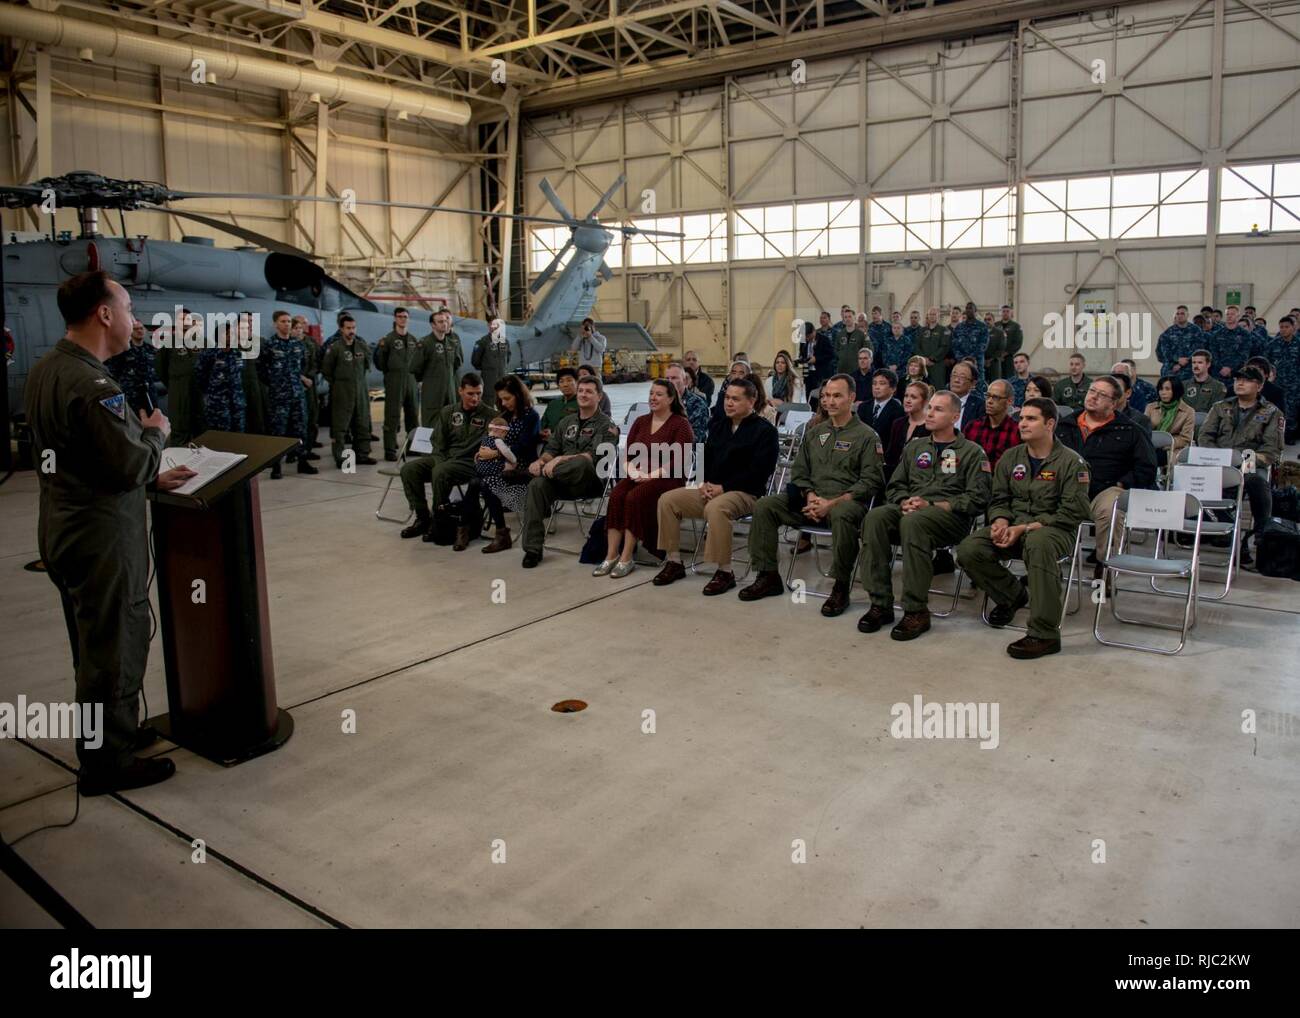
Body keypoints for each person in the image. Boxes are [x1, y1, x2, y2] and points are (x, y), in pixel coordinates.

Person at [28, 270, 197, 794]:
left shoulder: (49, 369)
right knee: (113, 650)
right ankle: (108, 763)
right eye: (126, 307)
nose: (133, 318)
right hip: (101, 540)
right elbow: (124, 462)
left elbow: (90, 461)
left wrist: (151, 473)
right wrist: (154, 437)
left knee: (93, 646)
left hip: (65, 528)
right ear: (104, 314)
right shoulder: (94, 384)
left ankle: (113, 733)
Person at [737, 374, 885, 617]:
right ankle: (768, 575)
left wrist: (832, 503)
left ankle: (840, 587)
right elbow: (800, 471)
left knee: (842, 513)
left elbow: (871, 481)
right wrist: (811, 496)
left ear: (852, 398)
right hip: (811, 501)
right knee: (765, 505)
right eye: (826, 396)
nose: (830, 401)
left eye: (837, 395)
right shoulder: (816, 433)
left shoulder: (867, 436)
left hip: (846, 504)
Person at [956, 398, 1092, 660]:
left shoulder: (1071, 463)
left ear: (1050, 424)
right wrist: (1000, 521)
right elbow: (999, 499)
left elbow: (1073, 513)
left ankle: (1045, 634)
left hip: (1055, 531)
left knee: (1038, 543)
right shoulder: (1011, 457)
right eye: (1021, 418)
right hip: (1015, 526)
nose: (1023, 424)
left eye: (1031, 419)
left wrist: (1026, 527)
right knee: (969, 548)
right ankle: (1012, 595)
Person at [857, 391, 992, 640]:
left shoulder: (972, 452)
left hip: (950, 519)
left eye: (938, 409)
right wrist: (903, 500)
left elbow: (977, 499)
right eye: (929, 407)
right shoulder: (915, 447)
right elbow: (895, 485)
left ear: (955, 415)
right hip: (911, 510)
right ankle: (880, 604)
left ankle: (915, 609)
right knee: (875, 518)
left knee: (914, 522)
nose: (930, 413)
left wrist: (932, 504)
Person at [654, 378, 780, 594]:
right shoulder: (719, 425)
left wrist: (724, 487)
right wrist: (702, 482)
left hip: (745, 493)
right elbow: (704, 456)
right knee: (668, 500)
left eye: (735, 399)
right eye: (727, 398)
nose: (729, 403)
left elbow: (759, 473)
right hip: (711, 489)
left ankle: (725, 571)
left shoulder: (765, 432)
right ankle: (674, 562)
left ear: (751, 401)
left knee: (716, 508)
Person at [1057, 375, 1157, 576]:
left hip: (1104, 491)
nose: (1093, 397)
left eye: (1101, 395)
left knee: (1112, 511)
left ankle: (1105, 567)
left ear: (1113, 403)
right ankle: (1045, 564)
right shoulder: (1064, 426)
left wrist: (1121, 483)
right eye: (1092, 391)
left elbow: (1146, 468)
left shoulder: (1130, 431)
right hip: (1063, 488)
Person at [594, 379, 694, 577]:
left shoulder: (680, 424)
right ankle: (611, 554)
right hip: (639, 474)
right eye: (651, 393)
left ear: (671, 399)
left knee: (634, 497)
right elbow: (627, 454)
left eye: (658, 394)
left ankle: (627, 556)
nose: (653, 398)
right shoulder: (641, 422)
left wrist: (650, 475)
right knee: (616, 495)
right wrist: (631, 471)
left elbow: (680, 461)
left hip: (668, 478)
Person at [520, 376, 620, 568]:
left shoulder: (607, 426)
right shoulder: (566, 422)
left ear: (599, 396)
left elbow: (594, 458)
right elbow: (551, 449)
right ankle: (533, 549)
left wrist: (559, 460)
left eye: (589, 391)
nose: (583, 394)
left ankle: (530, 474)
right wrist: (541, 461)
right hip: (561, 480)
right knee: (536, 485)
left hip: (590, 481)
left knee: (581, 462)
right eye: (581, 390)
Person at [1199, 365, 1284, 566]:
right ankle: (1233, 534)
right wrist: (1217, 457)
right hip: (1218, 464)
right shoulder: (1220, 407)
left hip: (1251, 466)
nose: (1240, 383)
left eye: (1246, 380)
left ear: (1259, 386)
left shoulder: (1272, 412)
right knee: (1196, 482)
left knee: (1258, 483)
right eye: (1237, 379)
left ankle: (1263, 533)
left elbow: (1271, 449)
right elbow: (1205, 436)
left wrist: (1244, 462)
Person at [398, 373, 497, 541]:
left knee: (441, 471)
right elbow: (438, 443)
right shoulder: (448, 412)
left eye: (478, 393)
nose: (475, 398)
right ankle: (422, 517)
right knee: (409, 469)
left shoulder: (491, 416)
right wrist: (441, 460)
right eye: (470, 393)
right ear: (460, 391)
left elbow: (496, 445)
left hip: (469, 462)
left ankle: (438, 521)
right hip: (445, 458)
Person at [459, 374, 539, 554]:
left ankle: (482, 530)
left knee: (485, 484)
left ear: (518, 395)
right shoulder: (504, 416)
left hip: (521, 468)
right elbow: (490, 438)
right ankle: (467, 527)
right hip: (499, 466)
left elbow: (523, 447)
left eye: (507, 398)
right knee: (475, 482)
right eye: (501, 399)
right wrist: (481, 452)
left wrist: (494, 453)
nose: (503, 403)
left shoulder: (531, 417)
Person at [258, 310, 317, 477]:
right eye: (283, 321)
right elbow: (261, 369)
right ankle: (276, 467)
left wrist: (300, 382)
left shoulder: (297, 345)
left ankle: (302, 462)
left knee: (300, 429)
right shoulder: (270, 345)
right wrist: (275, 384)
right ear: (275, 324)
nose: (287, 324)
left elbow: (302, 366)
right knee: (278, 431)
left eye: (289, 322)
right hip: (279, 396)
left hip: (297, 394)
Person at [321, 314, 377, 467]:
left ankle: (362, 455)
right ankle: (341, 458)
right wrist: (339, 384)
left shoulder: (362, 346)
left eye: (353, 328)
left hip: (360, 391)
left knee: (363, 423)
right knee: (340, 427)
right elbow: (326, 370)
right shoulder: (335, 348)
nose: (351, 331)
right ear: (341, 329)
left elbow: (366, 365)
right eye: (348, 328)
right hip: (342, 392)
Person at [374, 307, 420, 461]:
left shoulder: (413, 340)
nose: (403, 319)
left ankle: (413, 447)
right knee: (392, 416)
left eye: (405, 316)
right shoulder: (387, 340)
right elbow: (381, 363)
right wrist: (392, 374)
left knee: (413, 415)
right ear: (395, 319)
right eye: (400, 316)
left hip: (411, 381)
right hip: (395, 381)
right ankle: (389, 450)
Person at [156, 311, 203, 446]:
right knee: (179, 427)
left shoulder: (201, 341)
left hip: (197, 390)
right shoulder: (168, 342)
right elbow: (160, 368)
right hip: (178, 390)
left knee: (200, 426)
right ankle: (178, 462)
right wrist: (175, 383)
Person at [412, 308, 463, 426]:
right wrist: (427, 380)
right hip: (432, 390)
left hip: (449, 389)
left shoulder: (451, 344)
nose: (444, 324)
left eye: (445, 321)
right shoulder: (425, 343)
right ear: (432, 325)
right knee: (432, 424)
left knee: (452, 422)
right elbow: (415, 367)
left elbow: (455, 365)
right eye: (440, 322)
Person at [195, 320, 247, 433]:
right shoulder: (209, 354)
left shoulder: (238, 354)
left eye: (232, 333)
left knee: (239, 435)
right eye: (227, 333)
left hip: (237, 403)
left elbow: (241, 375)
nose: (230, 336)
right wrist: (210, 394)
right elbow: (200, 376)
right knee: (220, 437)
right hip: (218, 404)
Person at [104, 319, 159, 416]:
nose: (139, 331)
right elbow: (113, 372)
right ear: (130, 331)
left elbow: (158, 370)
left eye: (141, 328)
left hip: (150, 395)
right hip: (130, 395)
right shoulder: (122, 351)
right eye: (136, 329)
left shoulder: (152, 350)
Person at [963, 378, 1021, 469]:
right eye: (988, 396)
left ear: (1009, 401)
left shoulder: (1017, 431)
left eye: (995, 397)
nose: (989, 401)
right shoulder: (972, 427)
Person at [884, 380, 932, 477]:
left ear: (925, 401)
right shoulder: (898, 423)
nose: (908, 400)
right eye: (906, 396)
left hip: (919, 478)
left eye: (913, 397)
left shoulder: (931, 426)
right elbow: (890, 456)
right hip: (893, 477)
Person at [1264, 315, 1299, 442]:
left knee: (1291, 410)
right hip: (1277, 383)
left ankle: (1289, 435)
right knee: (1276, 409)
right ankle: (1275, 435)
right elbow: (1266, 363)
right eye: (1281, 327)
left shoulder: (1298, 343)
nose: (1283, 329)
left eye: (1286, 327)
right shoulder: (1273, 344)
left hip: (1294, 384)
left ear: (1293, 328)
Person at [1146, 376, 1195, 463]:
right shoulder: (1151, 407)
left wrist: (1166, 443)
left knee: (1156, 458)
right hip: (1150, 446)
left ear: (1176, 391)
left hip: (1173, 448)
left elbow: (1185, 438)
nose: (1163, 393)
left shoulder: (1188, 411)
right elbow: (1144, 430)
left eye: (1167, 389)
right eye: (1161, 389)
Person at [292, 315, 322, 457]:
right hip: (295, 386)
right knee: (296, 419)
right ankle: (294, 451)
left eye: (305, 324)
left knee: (312, 415)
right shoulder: (289, 343)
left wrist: (309, 377)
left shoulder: (311, 342)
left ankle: (308, 447)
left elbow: (317, 361)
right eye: (300, 324)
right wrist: (302, 379)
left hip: (310, 385)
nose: (304, 326)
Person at [666, 360, 711, 443]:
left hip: (690, 452)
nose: (669, 382)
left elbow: (696, 439)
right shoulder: (662, 402)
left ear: (685, 381)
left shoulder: (697, 404)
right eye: (667, 378)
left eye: (674, 378)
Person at [472, 318, 512, 398]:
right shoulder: (482, 342)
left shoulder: (505, 342)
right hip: (488, 381)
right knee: (489, 403)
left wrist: (499, 367)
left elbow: (507, 358)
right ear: (488, 325)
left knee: (503, 402)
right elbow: (475, 361)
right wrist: (488, 368)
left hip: (502, 379)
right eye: (491, 324)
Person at [952, 302, 989, 387]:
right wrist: (962, 358)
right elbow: (954, 345)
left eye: (970, 308)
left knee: (978, 386)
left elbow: (983, 345)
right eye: (967, 308)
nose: (968, 310)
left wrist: (971, 359)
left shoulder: (982, 326)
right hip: (961, 362)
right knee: (961, 385)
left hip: (977, 363)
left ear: (975, 311)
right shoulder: (959, 327)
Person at [859, 369, 905, 438]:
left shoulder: (899, 411)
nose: (876, 387)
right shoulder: (863, 407)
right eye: (874, 383)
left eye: (882, 383)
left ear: (893, 388)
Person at [1157, 305, 1198, 381]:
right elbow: (1163, 352)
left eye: (1182, 313)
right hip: (1172, 369)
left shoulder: (1196, 330)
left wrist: (1184, 362)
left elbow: (1198, 348)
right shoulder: (1168, 333)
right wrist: (1176, 360)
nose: (1179, 316)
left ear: (1187, 315)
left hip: (1189, 370)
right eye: (1177, 314)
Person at [914, 306, 952, 388]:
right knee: (921, 387)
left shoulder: (944, 330)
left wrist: (932, 358)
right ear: (927, 316)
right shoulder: (921, 330)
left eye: (934, 314)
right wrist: (924, 359)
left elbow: (944, 347)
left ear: (938, 316)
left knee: (938, 387)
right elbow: (916, 346)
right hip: (923, 364)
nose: (932, 316)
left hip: (937, 364)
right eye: (930, 314)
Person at [540, 366, 579, 441]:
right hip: (548, 443)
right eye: (561, 381)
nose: (565, 384)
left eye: (569, 380)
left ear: (577, 382)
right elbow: (542, 424)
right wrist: (543, 432)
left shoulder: (583, 404)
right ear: (558, 385)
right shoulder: (553, 403)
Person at [1183, 349, 1227, 414]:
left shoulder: (1218, 386)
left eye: (1200, 362)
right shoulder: (1183, 385)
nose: (1196, 366)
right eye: (1194, 362)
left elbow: (1217, 412)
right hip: (1187, 422)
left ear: (1208, 364)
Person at [948, 360, 982, 432]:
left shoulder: (980, 406)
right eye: (954, 375)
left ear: (973, 383)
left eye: (962, 377)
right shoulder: (939, 400)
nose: (956, 380)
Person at [833, 307, 870, 374]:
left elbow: (868, 350)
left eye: (850, 316)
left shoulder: (861, 334)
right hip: (842, 369)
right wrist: (841, 357)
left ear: (854, 318)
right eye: (845, 317)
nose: (847, 319)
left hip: (856, 369)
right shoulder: (840, 334)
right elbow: (836, 350)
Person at [996, 305, 1024, 381]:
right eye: (1003, 311)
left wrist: (1006, 353)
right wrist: (997, 354)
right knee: (997, 378)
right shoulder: (996, 325)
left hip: (1009, 358)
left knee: (1009, 378)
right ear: (1001, 313)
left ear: (1011, 313)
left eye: (1007, 311)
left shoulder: (1016, 326)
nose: (1005, 313)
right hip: (996, 358)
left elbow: (1018, 342)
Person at [983, 311, 1006, 384]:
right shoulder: (980, 332)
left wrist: (990, 360)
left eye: (989, 319)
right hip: (982, 362)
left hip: (994, 362)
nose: (987, 321)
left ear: (993, 320)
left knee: (995, 383)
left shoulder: (999, 333)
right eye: (985, 320)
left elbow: (1001, 348)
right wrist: (983, 359)